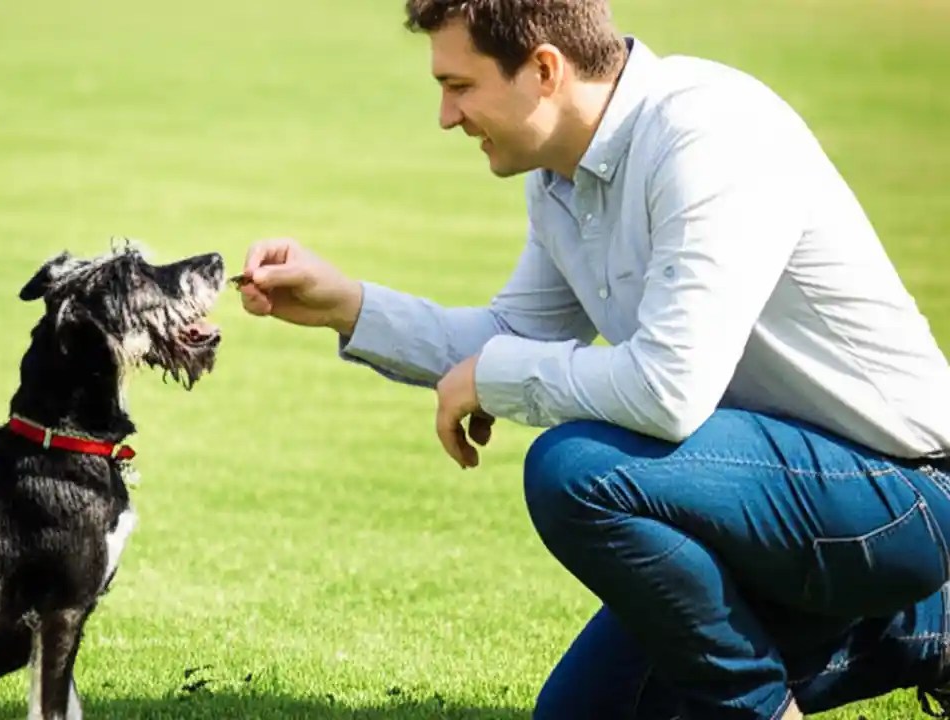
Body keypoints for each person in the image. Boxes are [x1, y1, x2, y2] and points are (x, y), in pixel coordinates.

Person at [234, 1, 950, 719]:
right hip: (769, 509)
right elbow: (514, 331)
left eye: (459, 85)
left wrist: (497, 376)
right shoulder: (559, 178)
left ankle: (757, 708)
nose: (446, 116)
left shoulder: (708, 133)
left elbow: (670, 389)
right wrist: (347, 305)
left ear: (544, 70)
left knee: (575, 470)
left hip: (905, 492)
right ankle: (928, 628)